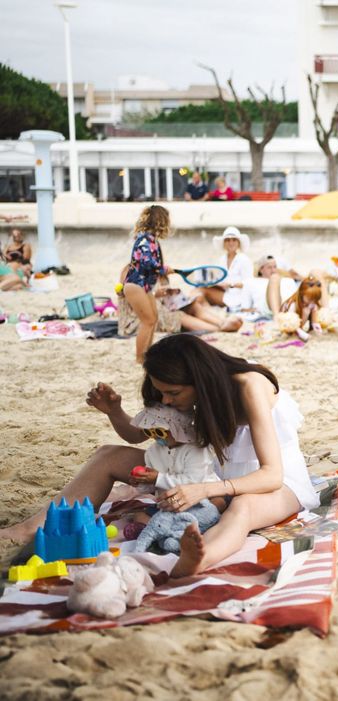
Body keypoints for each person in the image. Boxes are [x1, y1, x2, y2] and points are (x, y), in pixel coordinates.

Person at [0, 334, 320, 578]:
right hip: (201, 475)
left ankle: (195, 560)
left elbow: (271, 474)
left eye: (173, 393)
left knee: (244, 507)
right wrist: (114, 411)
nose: (166, 400)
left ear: (198, 380)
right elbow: (141, 433)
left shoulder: (248, 385)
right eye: (162, 392)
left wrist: (203, 489)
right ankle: (39, 526)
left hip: (270, 484)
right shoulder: (183, 394)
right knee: (108, 455)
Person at [121, 205, 173, 363]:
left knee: (153, 319)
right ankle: (140, 359)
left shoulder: (151, 240)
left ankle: (147, 357)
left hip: (142, 286)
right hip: (135, 284)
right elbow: (147, 263)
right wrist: (164, 269)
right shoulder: (145, 239)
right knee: (148, 321)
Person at [201, 227, 253, 309]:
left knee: (201, 292)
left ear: (238, 243)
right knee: (200, 287)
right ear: (224, 243)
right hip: (225, 293)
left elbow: (249, 284)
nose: (231, 243)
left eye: (234, 240)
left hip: (238, 297)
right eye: (227, 240)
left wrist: (230, 285)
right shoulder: (221, 260)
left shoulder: (244, 259)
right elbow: (220, 280)